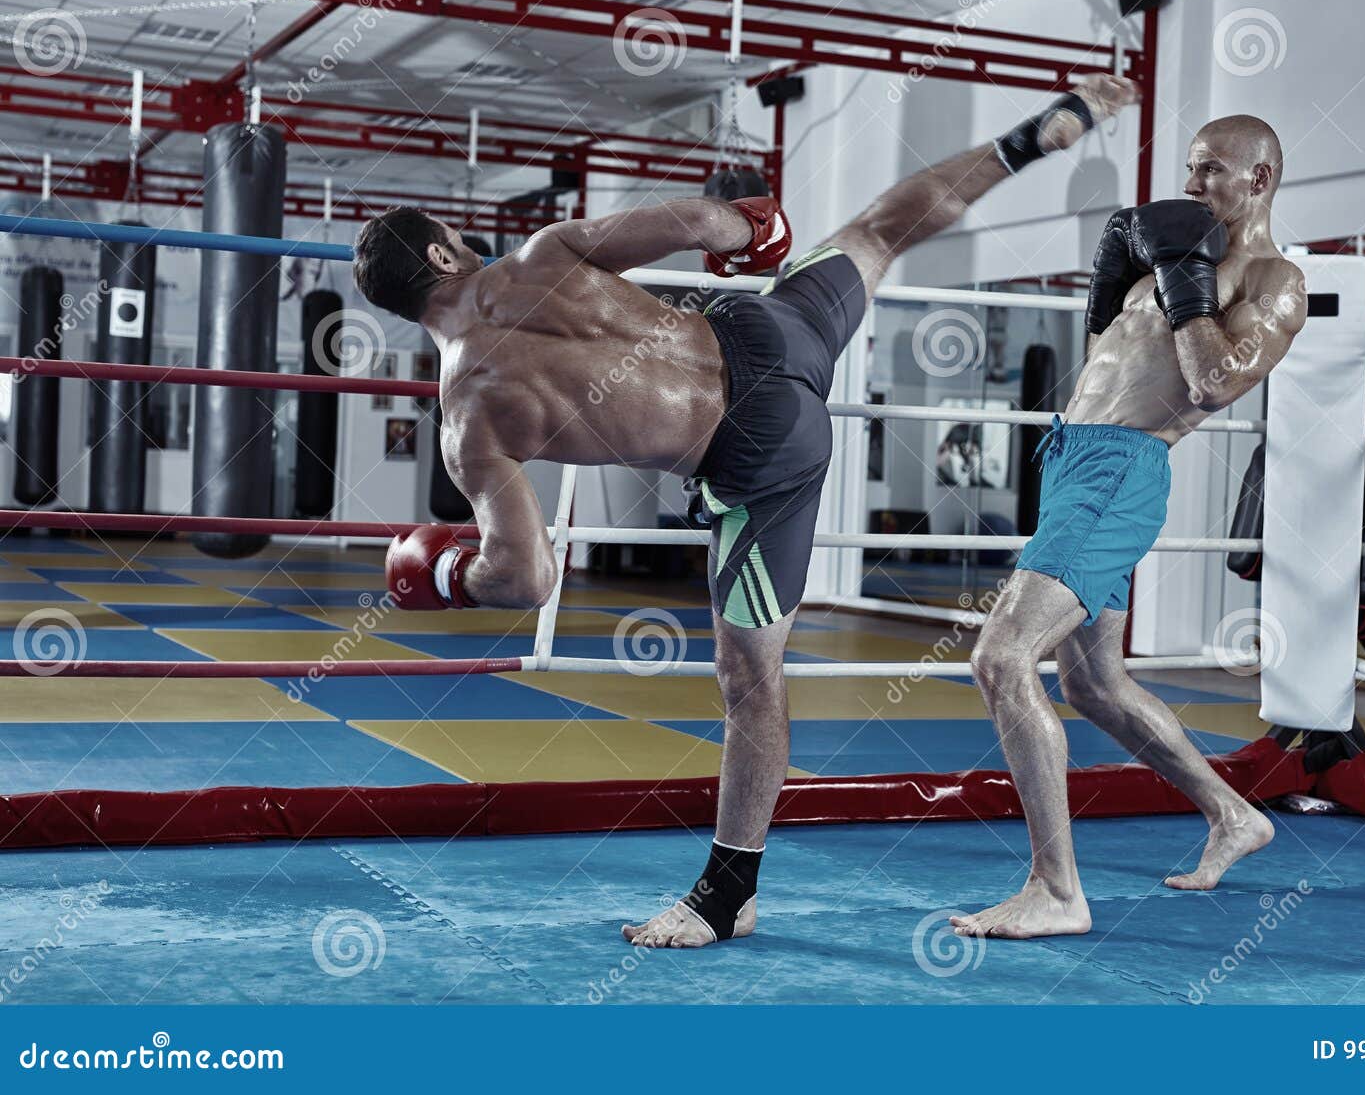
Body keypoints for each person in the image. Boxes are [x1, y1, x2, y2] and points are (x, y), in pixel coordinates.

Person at [353, 71, 1141, 949]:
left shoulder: (467, 417)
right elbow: (711, 223)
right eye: (460, 238)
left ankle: (728, 894)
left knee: (748, 678)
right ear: (443, 255)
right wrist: (753, 231)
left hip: (756, 452)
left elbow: (527, 577)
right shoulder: (545, 251)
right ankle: (1027, 140)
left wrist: (448, 575)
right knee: (880, 229)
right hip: (768, 328)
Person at [951, 115, 1308, 941]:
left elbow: (1213, 383)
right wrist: (1120, 279)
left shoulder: (1272, 279)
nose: (1190, 185)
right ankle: (1232, 814)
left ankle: (1056, 890)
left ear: (1258, 180)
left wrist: (1182, 277)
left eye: (1210, 170)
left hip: (1121, 471)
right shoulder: (1174, 252)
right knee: (1094, 684)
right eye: (1188, 168)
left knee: (1001, 657)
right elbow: (1111, 363)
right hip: (1074, 455)